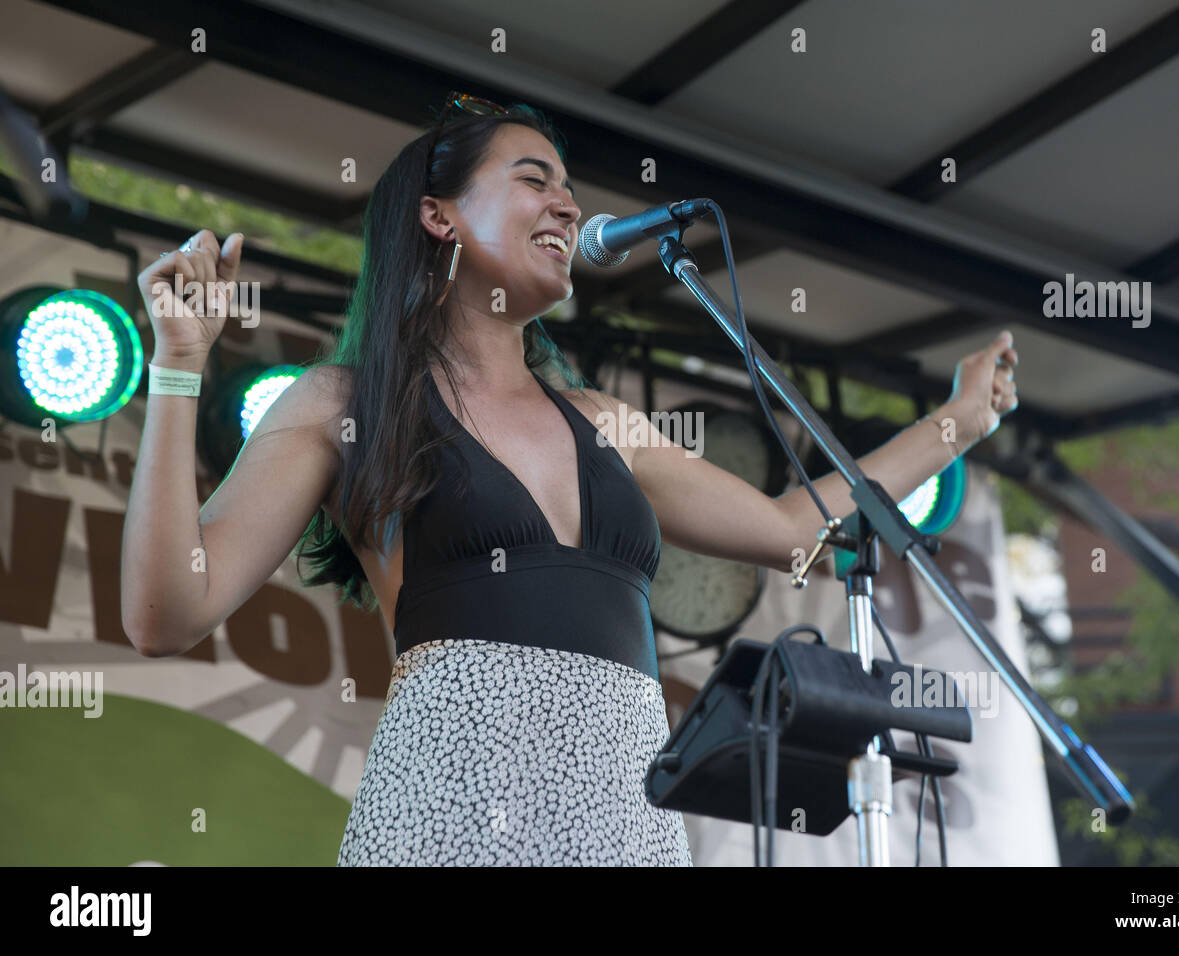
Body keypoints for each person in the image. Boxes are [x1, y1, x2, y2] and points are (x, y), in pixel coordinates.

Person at [120, 93, 1019, 867]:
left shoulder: (601, 422)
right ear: (440, 218)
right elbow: (166, 612)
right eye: (534, 179)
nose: (566, 205)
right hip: (455, 812)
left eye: (569, 188)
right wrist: (178, 365)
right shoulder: (343, 403)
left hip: (626, 816)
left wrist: (961, 423)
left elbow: (797, 528)